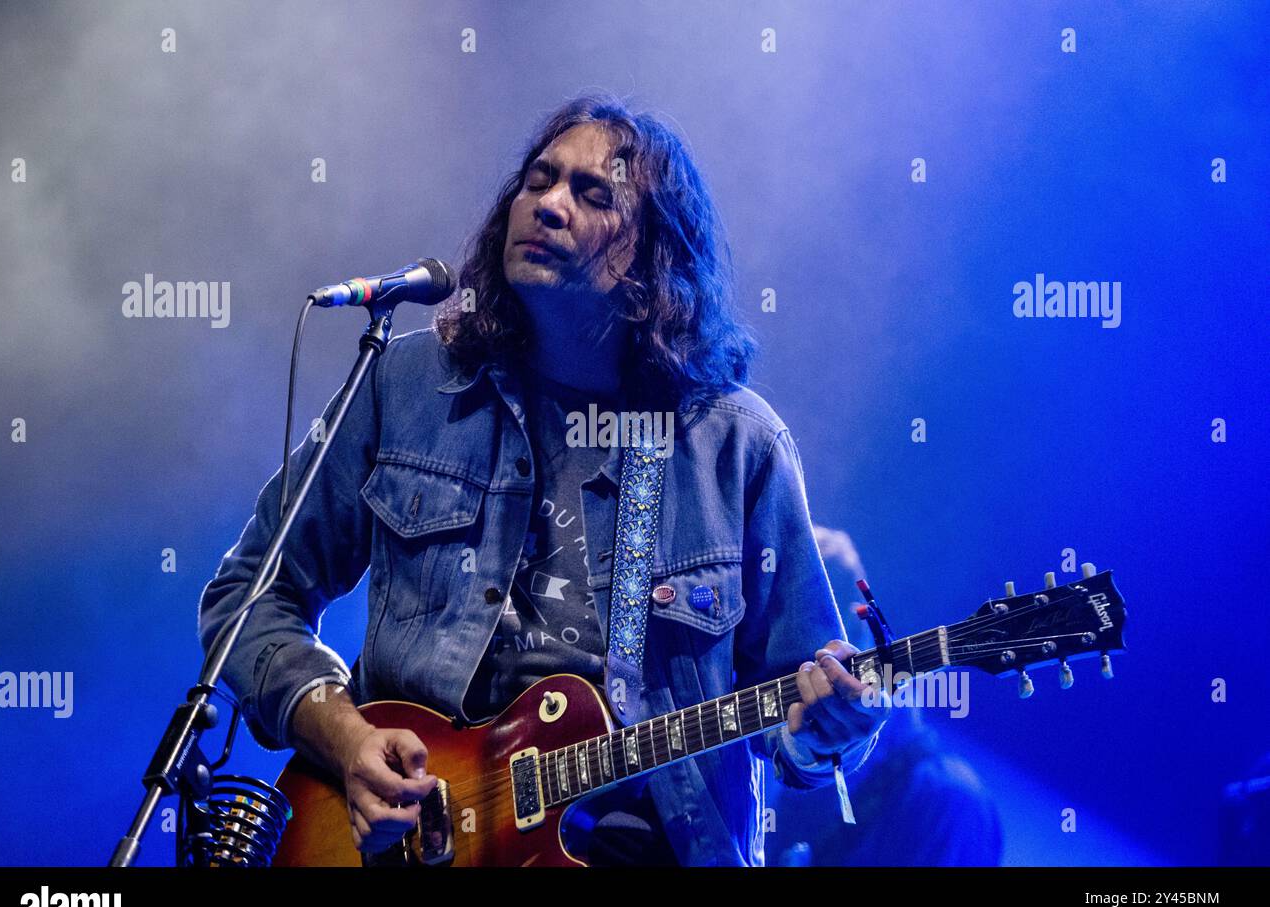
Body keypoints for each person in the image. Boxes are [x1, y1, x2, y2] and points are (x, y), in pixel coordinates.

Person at [198, 93, 889, 866]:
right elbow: (251, 596)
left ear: (655, 255)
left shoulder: (735, 444)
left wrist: (833, 728)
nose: (550, 206)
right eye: (539, 180)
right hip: (405, 844)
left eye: (594, 196)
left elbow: (801, 712)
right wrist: (347, 737)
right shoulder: (406, 384)